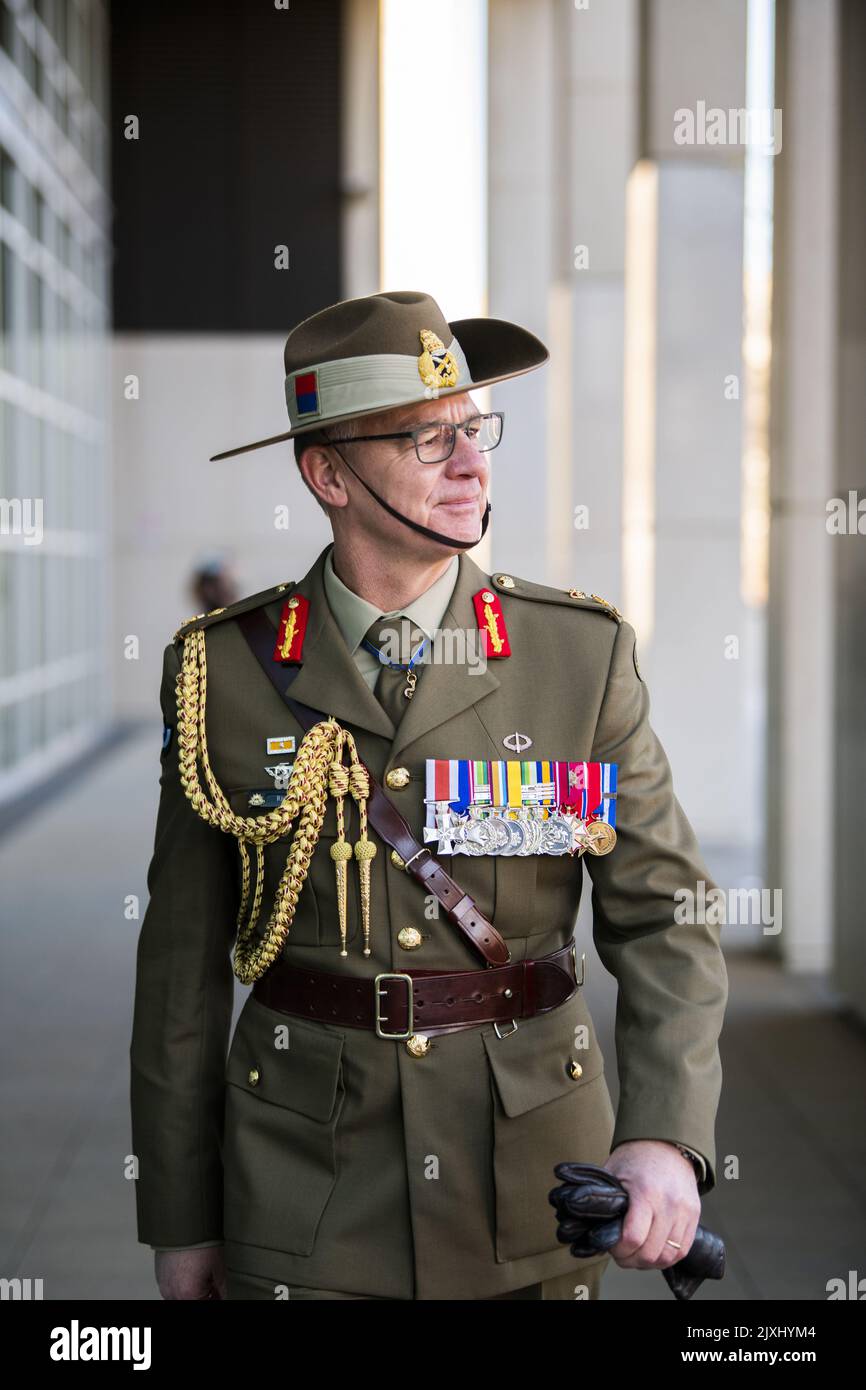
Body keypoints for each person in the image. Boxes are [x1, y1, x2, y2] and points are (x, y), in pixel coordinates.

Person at [129, 290, 728, 1301]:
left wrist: (666, 1135)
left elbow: (666, 917)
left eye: (472, 428)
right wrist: (181, 1219)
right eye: (423, 438)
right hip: (303, 1193)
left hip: (530, 1179)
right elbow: (178, 978)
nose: (470, 464)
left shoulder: (574, 657)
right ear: (328, 473)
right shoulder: (221, 672)